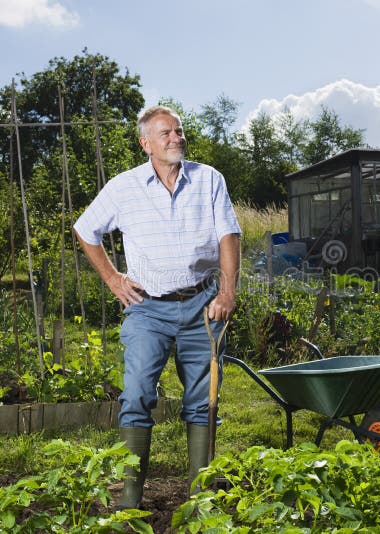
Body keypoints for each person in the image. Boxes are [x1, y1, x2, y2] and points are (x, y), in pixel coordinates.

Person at [73, 105, 241, 509]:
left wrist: (227, 293)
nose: (176, 138)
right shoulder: (123, 187)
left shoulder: (208, 179)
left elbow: (228, 235)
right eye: (165, 133)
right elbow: (85, 228)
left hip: (202, 304)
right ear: (145, 143)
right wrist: (113, 279)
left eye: (179, 131)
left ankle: (199, 498)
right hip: (148, 308)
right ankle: (130, 499)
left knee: (204, 400)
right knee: (136, 395)